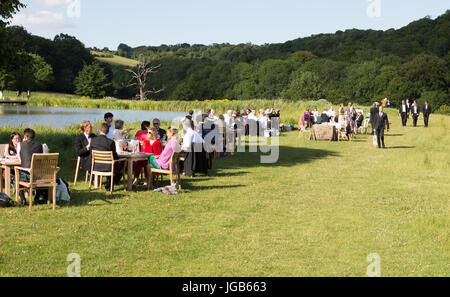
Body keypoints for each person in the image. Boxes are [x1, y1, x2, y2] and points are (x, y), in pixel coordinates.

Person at [17, 128, 46, 205]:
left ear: (25, 136)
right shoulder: (41, 145)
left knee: (15, 178)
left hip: (27, 175)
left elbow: (20, 159)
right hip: (39, 176)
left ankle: (23, 199)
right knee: (37, 174)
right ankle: (36, 197)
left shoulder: (20, 144)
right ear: (34, 137)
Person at [90, 123, 123, 191]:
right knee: (122, 164)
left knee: (115, 164)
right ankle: (111, 183)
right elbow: (114, 156)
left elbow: (91, 153)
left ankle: (109, 183)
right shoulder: (110, 142)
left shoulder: (93, 140)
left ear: (99, 131)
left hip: (95, 166)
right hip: (108, 167)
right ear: (108, 132)